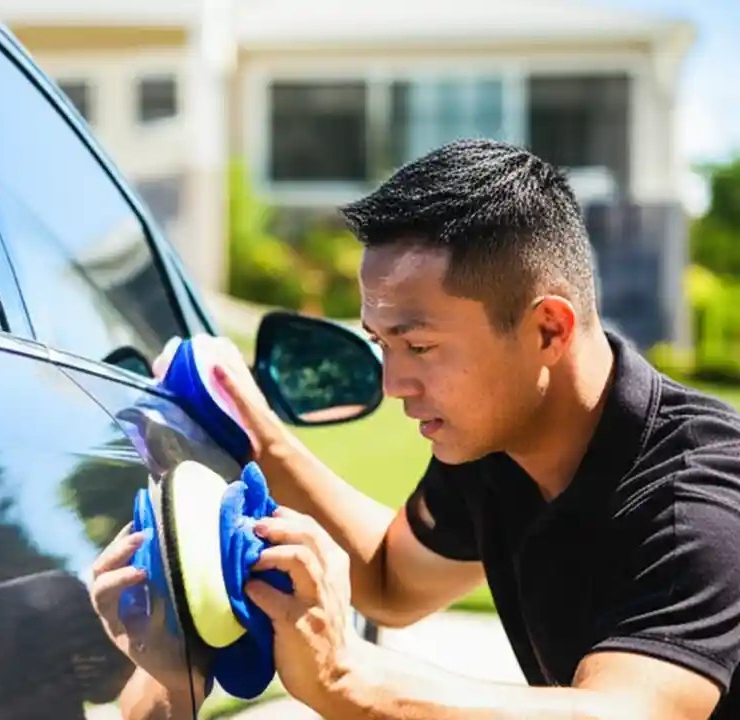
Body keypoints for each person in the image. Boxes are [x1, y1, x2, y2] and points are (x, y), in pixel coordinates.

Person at [90, 139, 740, 719]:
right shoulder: (499, 446)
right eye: (381, 345)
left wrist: (344, 675)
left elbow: (622, 713)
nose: (394, 383)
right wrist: (254, 435)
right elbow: (391, 581)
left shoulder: (698, 508)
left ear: (549, 329)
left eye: (419, 346)